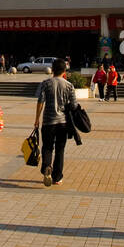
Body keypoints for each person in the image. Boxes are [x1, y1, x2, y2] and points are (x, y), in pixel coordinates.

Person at [32, 58, 75, 187]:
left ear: (52, 69)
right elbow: (74, 105)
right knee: (60, 150)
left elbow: (40, 101)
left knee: (47, 147)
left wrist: (37, 119)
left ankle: (46, 166)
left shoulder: (46, 83)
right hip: (63, 123)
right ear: (64, 70)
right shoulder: (69, 85)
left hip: (48, 122)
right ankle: (57, 177)